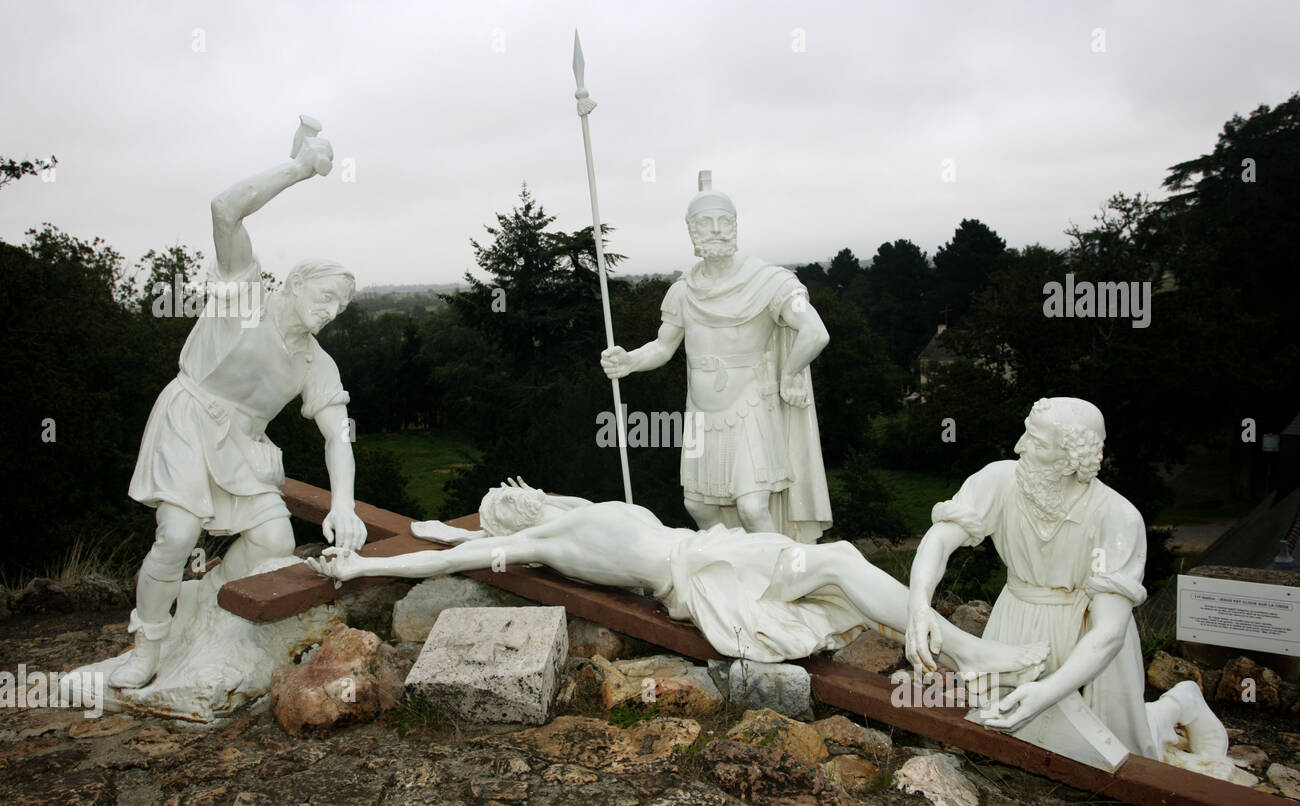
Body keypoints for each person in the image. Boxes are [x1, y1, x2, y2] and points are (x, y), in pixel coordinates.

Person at [308, 479, 1046, 683]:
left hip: (716, 549)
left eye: (519, 493)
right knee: (835, 565)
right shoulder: (548, 540)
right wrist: (366, 566)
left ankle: (953, 647)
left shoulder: (582, 511)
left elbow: (461, 538)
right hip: (702, 580)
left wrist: (453, 528)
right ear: (513, 527)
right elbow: (450, 561)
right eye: (511, 506)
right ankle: (964, 651)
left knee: (841, 559)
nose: (524, 498)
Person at [112, 125, 367, 688]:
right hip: (189, 419)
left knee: (274, 543)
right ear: (295, 284)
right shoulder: (244, 298)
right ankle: (146, 643)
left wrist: (343, 506)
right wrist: (299, 169)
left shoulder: (316, 362)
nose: (331, 312)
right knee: (177, 535)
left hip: (245, 446)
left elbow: (337, 435)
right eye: (325, 297)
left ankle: (204, 599)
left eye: (340, 307)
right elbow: (225, 210)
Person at [904, 397, 1230, 769]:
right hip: (1016, 621)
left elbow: (1108, 632)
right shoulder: (1000, 480)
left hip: (1086, 633)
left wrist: (1047, 691)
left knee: (1118, 751)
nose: (1020, 446)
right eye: (1026, 433)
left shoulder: (1116, 518)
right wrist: (919, 604)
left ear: (1070, 460)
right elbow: (939, 539)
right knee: (1004, 740)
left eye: (1037, 442)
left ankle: (1179, 702)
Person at [600, 172, 832, 542]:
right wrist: (629, 361)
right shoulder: (683, 290)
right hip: (700, 412)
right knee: (699, 507)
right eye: (706, 223)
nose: (716, 230)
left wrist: (789, 375)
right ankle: (731, 564)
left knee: (752, 507)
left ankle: (777, 571)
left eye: (724, 221)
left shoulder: (770, 282)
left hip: (750, 405)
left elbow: (815, 332)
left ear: (736, 225)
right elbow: (662, 347)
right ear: (691, 231)